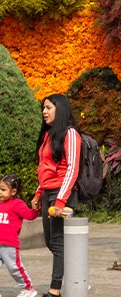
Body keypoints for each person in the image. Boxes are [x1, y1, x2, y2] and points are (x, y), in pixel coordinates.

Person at [31, 95, 81, 297]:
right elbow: (44, 168)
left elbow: (72, 168)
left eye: (48, 108)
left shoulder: (70, 133)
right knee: (50, 241)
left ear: (60, 109)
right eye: (43, 108)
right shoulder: (47, 135)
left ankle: (55, 290)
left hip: (62, 192)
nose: (44, 112)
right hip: (47, 192)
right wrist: (38, 193)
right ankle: (76, 275)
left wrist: (61, 200)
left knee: (58, 241)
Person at [0, 174, 38, 297]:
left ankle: (28, 289)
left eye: (3, 190)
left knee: (14, 268)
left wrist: (36, 209)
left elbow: (29, 215)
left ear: (13, 191)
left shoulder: (17, 204)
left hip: (9, 244)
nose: (0, 192)